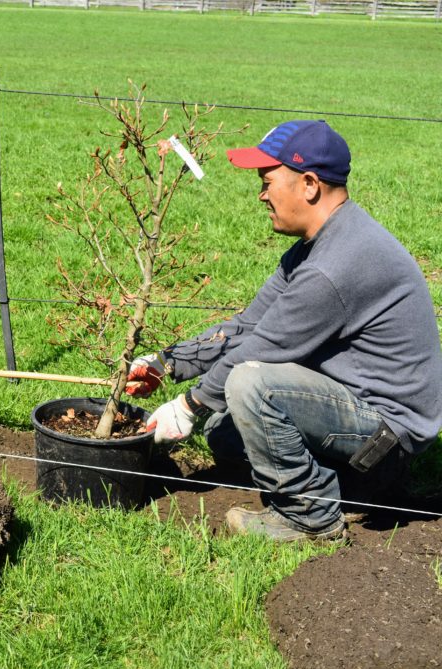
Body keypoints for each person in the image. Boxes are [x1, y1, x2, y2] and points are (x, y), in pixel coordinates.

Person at [127, 119, 442, 542]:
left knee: (249, 384)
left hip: (386, 439)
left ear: (309, 184)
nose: (261, 194)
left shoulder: (337, 265)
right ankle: (341, 487)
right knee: (224, 430)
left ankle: (311, 517)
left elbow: (262, 347)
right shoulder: (315, 247)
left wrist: (188, 407)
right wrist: (167, 363)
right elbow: (248, 325)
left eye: (267, 180)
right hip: (355, 409)